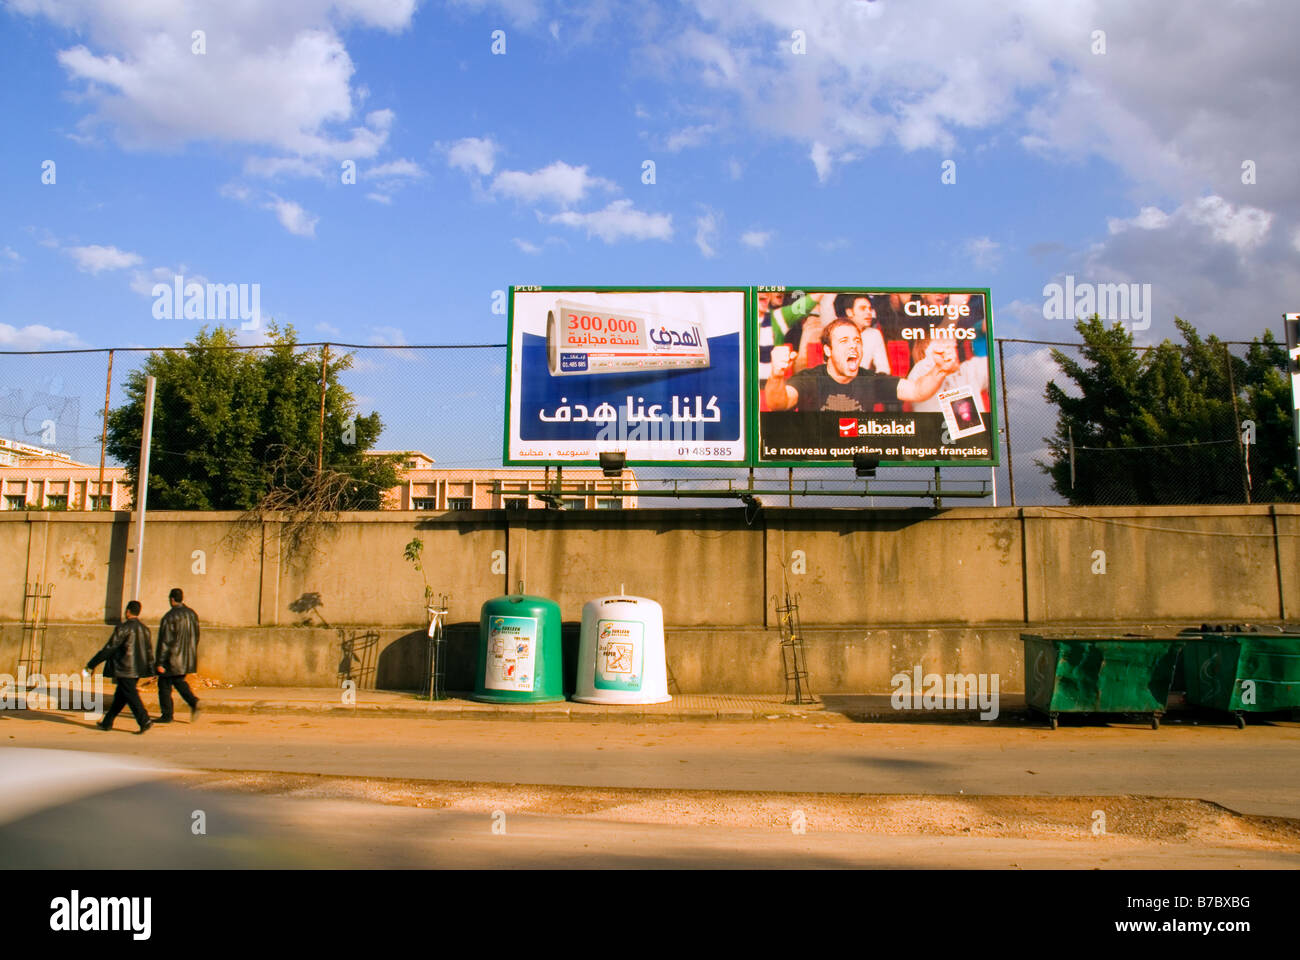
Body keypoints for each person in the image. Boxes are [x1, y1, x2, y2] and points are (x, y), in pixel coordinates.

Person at [766, 319, 957, 412]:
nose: (853, 346)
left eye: (857, 341)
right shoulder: (809, 379)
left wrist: (939, 369)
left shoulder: (871, 380)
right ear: (827, 350)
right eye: (844, 341)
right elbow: (778, 403)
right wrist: (776, 375)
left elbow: (917, 391)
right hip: (814, 459)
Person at [86, 600, 154, 733]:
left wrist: (92, 663)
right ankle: (107, 722)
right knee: (120, 697)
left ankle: (144, 720)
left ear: (127, 611)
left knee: (131, 695)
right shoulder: (145, 629)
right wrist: (151, 668)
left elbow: (109, 648)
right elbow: (149, 651)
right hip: (137, 669)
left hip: (124, 669)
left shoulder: (123, 628)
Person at [905, 335, 990, 412]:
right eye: (943, 346)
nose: (952, 352)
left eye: (954, 345)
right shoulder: (920, 371)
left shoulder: (968, 370)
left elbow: (993, 365)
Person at [155, 587, 201, 723]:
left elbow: (165, 641)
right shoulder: (192, 614)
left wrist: (160, 662)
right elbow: (196, 636)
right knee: (178, 681)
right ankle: (193, 702)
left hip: (172, 658)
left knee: (164, 685)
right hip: (186, 658)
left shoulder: (169, 617)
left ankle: (167, 715)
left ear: (172, 599)